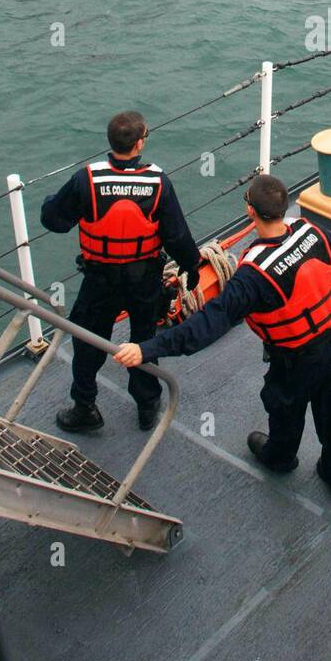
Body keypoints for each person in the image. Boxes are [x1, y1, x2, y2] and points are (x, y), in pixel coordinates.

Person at [115, 173, 331, 505]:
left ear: (251, 212)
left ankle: (280, 458)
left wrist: (147, 348)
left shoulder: (253, 274)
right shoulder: (311, 231)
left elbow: (205, 325)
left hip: (295, 361)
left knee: (284, 408)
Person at [41, 111, 202, 432]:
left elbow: (54, 220)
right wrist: (192, 266)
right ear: (140, 142)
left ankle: (85, 407)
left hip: (99, 279)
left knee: (87, 341)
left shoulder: (86, 179)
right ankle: (146, 405)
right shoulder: (158, 182)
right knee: (143, 339)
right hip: (144, 279)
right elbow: (177, 236)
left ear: (111, 143)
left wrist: (51, 201)